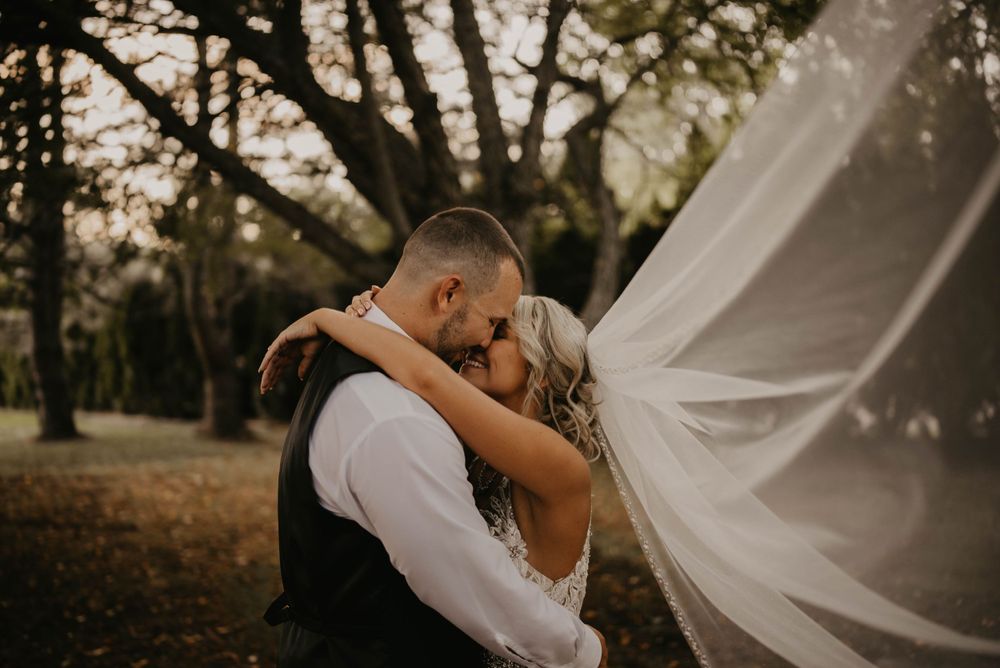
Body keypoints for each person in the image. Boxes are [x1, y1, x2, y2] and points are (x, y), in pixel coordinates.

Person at [258, 207, 606, 668]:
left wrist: (337, 321)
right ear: (449, 293)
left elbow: (426, 376)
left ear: (542, 371)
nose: (484, 341)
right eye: (493, 321)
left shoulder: (550, 461)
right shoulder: (407, 421)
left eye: (502, 330)